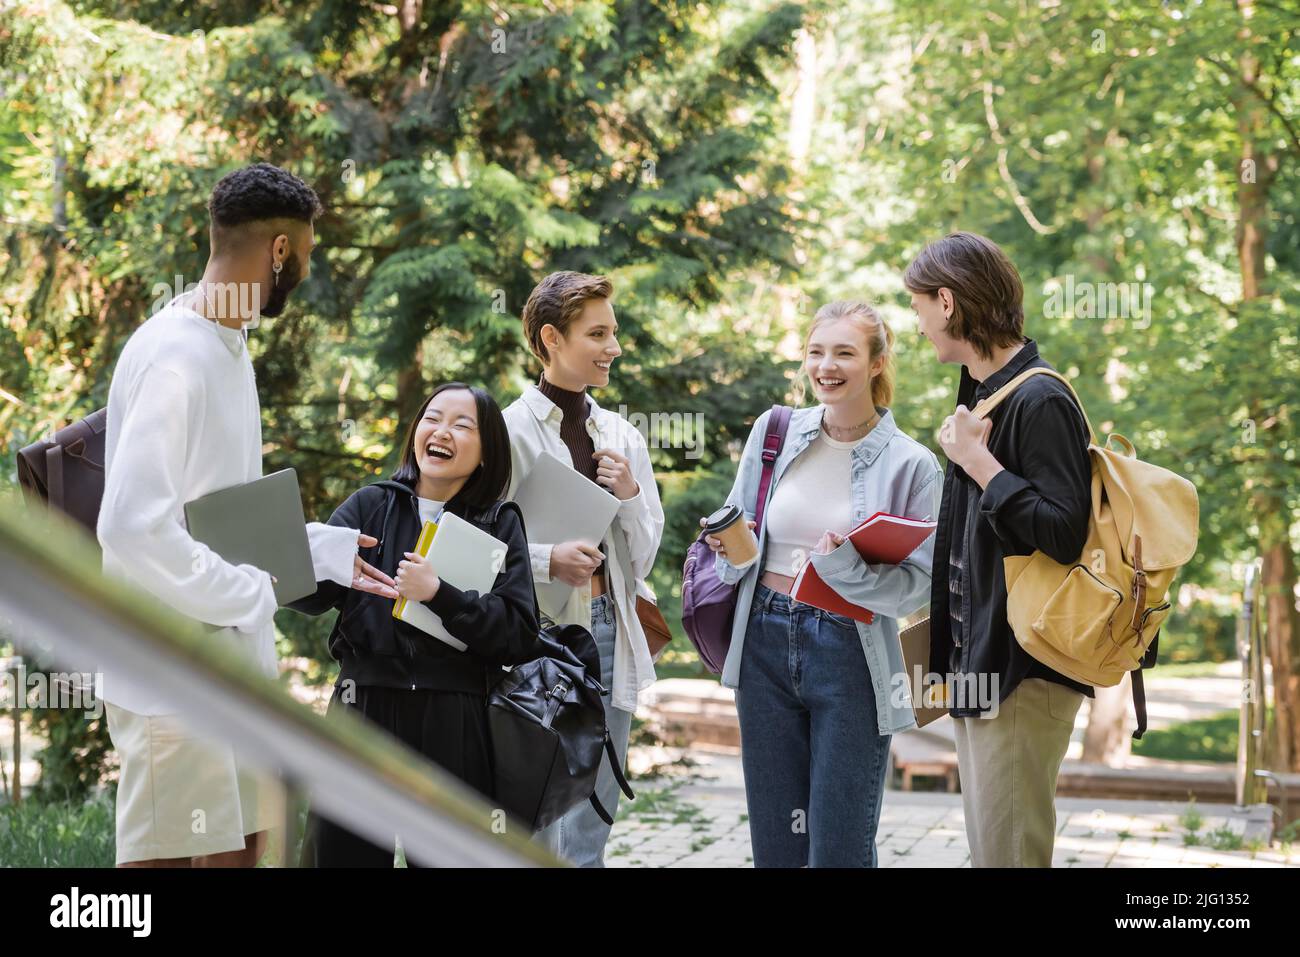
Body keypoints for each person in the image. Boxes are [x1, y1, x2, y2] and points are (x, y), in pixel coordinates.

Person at [97, 163, 396, 868]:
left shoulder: (230, 346)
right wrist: (252, 591)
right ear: (281, 250)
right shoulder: (176, 354)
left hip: (230, 661)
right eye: (308, 254)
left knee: (246, 848)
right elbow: (132, 525)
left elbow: (218, 510)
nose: (306, 272)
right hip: (168, 669)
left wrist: (314, 549)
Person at [703, 300, 940, 867]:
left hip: (850, 652)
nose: (825, 367)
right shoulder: (774, 431)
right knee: (777, 848)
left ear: (878, 362)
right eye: (816, 352)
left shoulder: (914, 464)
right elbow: (743, 533)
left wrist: (842, 568)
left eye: (844, 353)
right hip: (762, 637)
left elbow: (918, 586)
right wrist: (728, 550)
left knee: (838, 848)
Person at [289, 383, 540, 867]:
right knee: (342, 857)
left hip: (453, 718)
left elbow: (517, 632)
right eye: (432, 418)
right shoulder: (371, 505)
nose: (442, 432)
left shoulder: (498, 521)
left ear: (487, 452)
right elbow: (308, 598)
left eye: (462, 425)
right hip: (361, 708)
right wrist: (311, 552)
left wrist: (439, 594)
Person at [904, 230, 1094, 868]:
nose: (919, 323)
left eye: (920, 305)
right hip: (981, 663)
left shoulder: (1040, 400)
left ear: (948, 302)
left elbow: (1065, 532)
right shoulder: (982, 393)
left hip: (1022, 669)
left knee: (1009, 855)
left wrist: (981, 465)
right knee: (995, 852)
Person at [503, 270, 664, 867]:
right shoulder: (508, 432)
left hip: (607, 628)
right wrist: (548, 558)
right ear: (551, 338)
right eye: (598, 334)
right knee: (534, 815)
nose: (614, 348)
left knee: (594, 814)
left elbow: (643, 557)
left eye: (614, 332)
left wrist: (628, 496)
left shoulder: (622, 434)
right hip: (531, 638)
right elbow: (478, 547)